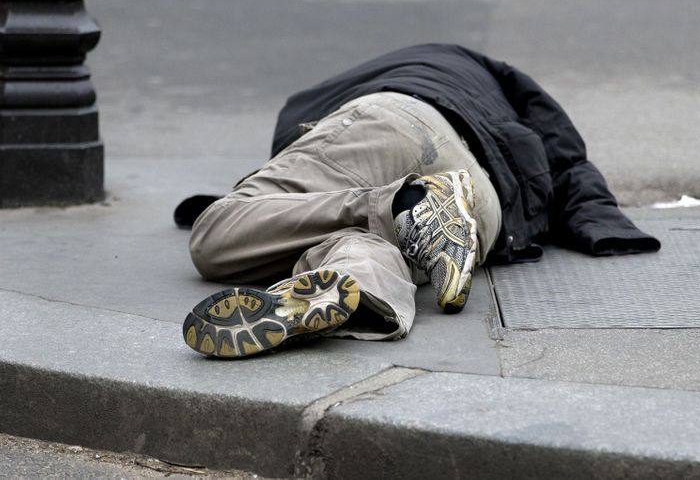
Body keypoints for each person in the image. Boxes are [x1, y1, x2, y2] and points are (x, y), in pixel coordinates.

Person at [179, 43, 660, 358]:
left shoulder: (375, 75)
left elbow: (290, 141)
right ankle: (355, 290)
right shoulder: (497, 83)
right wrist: (604, 225)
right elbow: (568, 158)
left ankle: (406, 202)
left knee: (215, 235)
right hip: (484, 204)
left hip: (390, 125)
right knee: (359, 243)